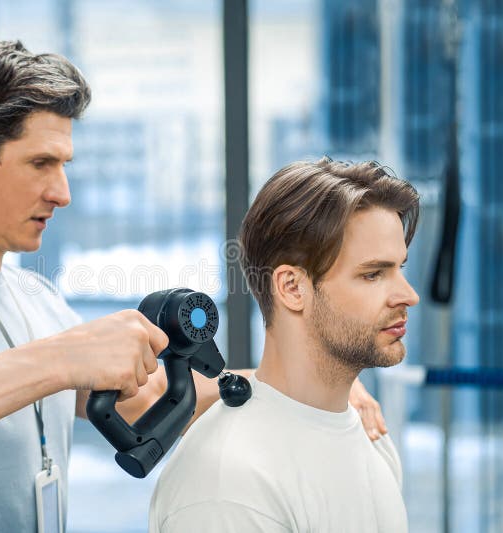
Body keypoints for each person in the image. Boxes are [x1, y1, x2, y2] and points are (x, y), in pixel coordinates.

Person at [0, 42, 389, 532]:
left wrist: (291, 389)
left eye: (65, 167)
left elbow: (152, 398)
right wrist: (58, 360)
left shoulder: (32, 298)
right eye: (41, 164)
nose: (63, 193)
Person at [149, 158, 420, 533]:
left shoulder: (372, 439)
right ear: (292, 288)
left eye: (400, 269)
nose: (409, 295)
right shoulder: (228, 483)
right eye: (373, 274)